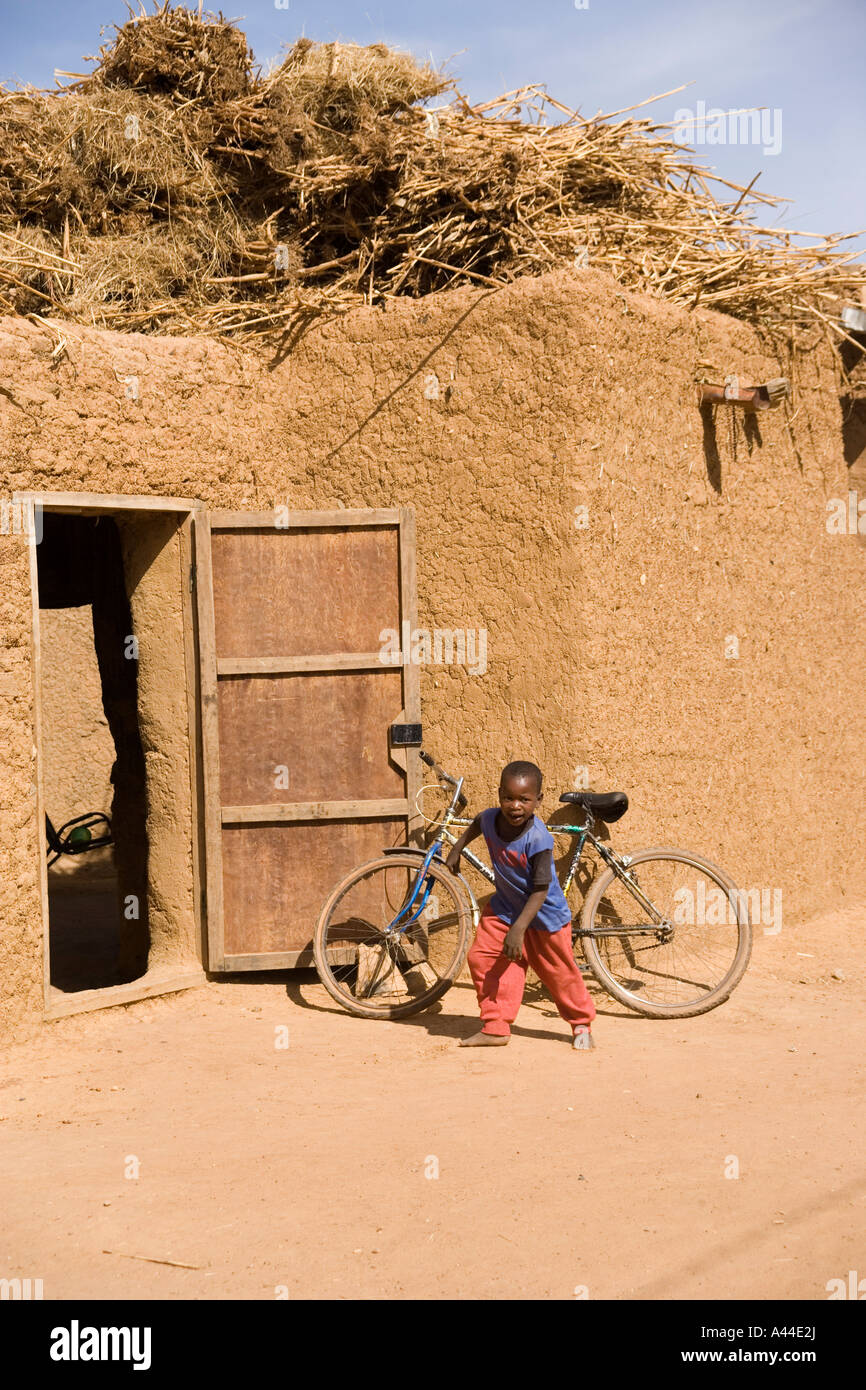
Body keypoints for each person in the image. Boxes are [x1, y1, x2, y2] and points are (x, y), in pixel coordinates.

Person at [445, 760, 596, 1049]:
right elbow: (478, 822)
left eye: (524, 800)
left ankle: (581, 1023)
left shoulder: (538, 839)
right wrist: (457, 848)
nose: (515, 806)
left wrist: (518, 931)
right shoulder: (491, 819)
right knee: (484, 958)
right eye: (509, 797)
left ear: (538, 800)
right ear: (499, 794)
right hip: (505, 908)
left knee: (559, 973)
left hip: (543, 917)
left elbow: (540, 890)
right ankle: (495, 1025)